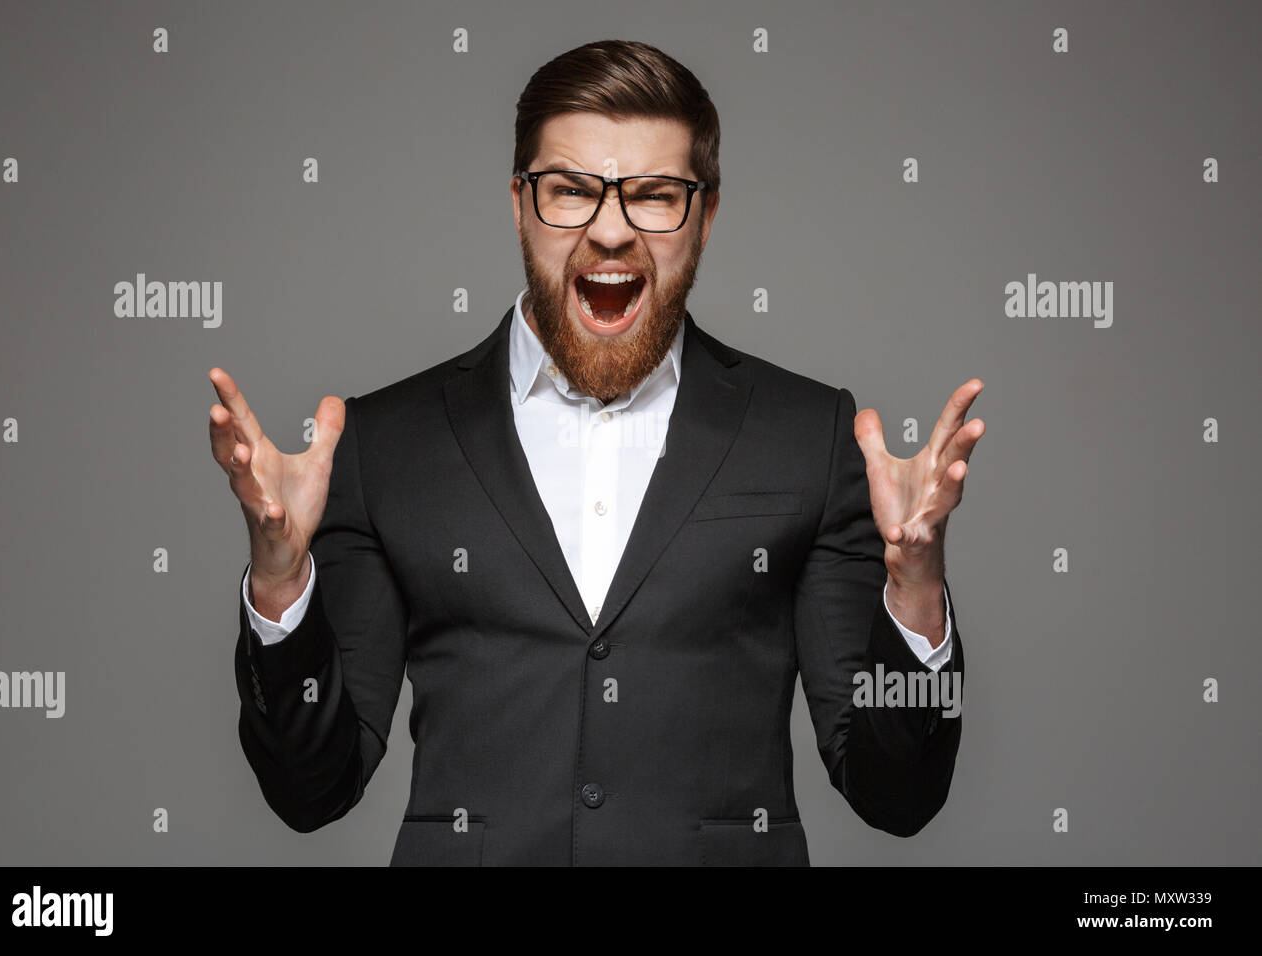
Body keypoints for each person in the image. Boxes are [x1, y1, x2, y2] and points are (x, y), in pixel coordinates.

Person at [207, 39, 985, 866]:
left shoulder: (806, 435)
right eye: (570, 191)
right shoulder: (385, 443)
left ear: (706, 216)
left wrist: (915, 592)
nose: (610, 230)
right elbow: (310, 792)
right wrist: (284, 582)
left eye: (654, 196)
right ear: (518, 204)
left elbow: (896, 796)